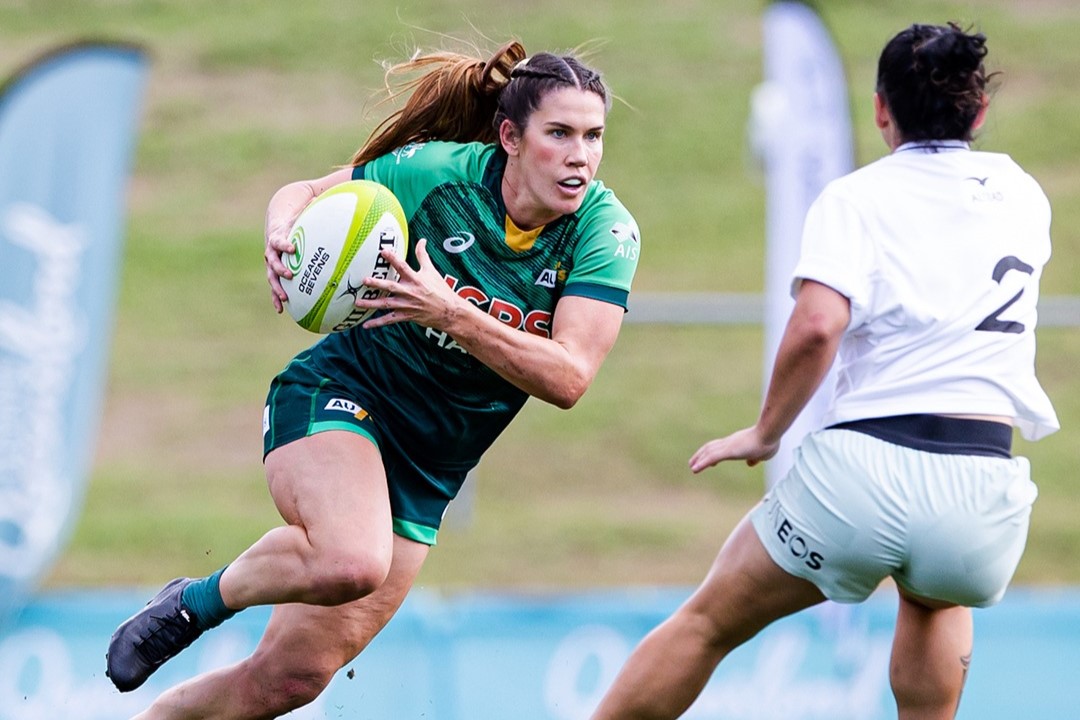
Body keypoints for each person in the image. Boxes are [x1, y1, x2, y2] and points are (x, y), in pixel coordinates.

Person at [105, 40, 641, 718]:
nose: (580, 156)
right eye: (559, 133)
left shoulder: (604, 232)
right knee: (353, 561)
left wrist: (450, 311)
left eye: (593, 136)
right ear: (510, 136)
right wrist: (281, 228)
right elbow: (304, 194)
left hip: (431, 467)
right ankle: (191, 604)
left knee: (288, 682)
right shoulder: (437, 174)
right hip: (342, 397)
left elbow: (569, 377)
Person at [590, 22, 1057, 720]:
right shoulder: (1024, 194)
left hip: (866, 475)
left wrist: (765, 433)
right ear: (979, 111)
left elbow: (816, 325)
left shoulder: (856, 198)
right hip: (980, 484)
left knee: (709, 623)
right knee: (935, 597)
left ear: (879, 109)